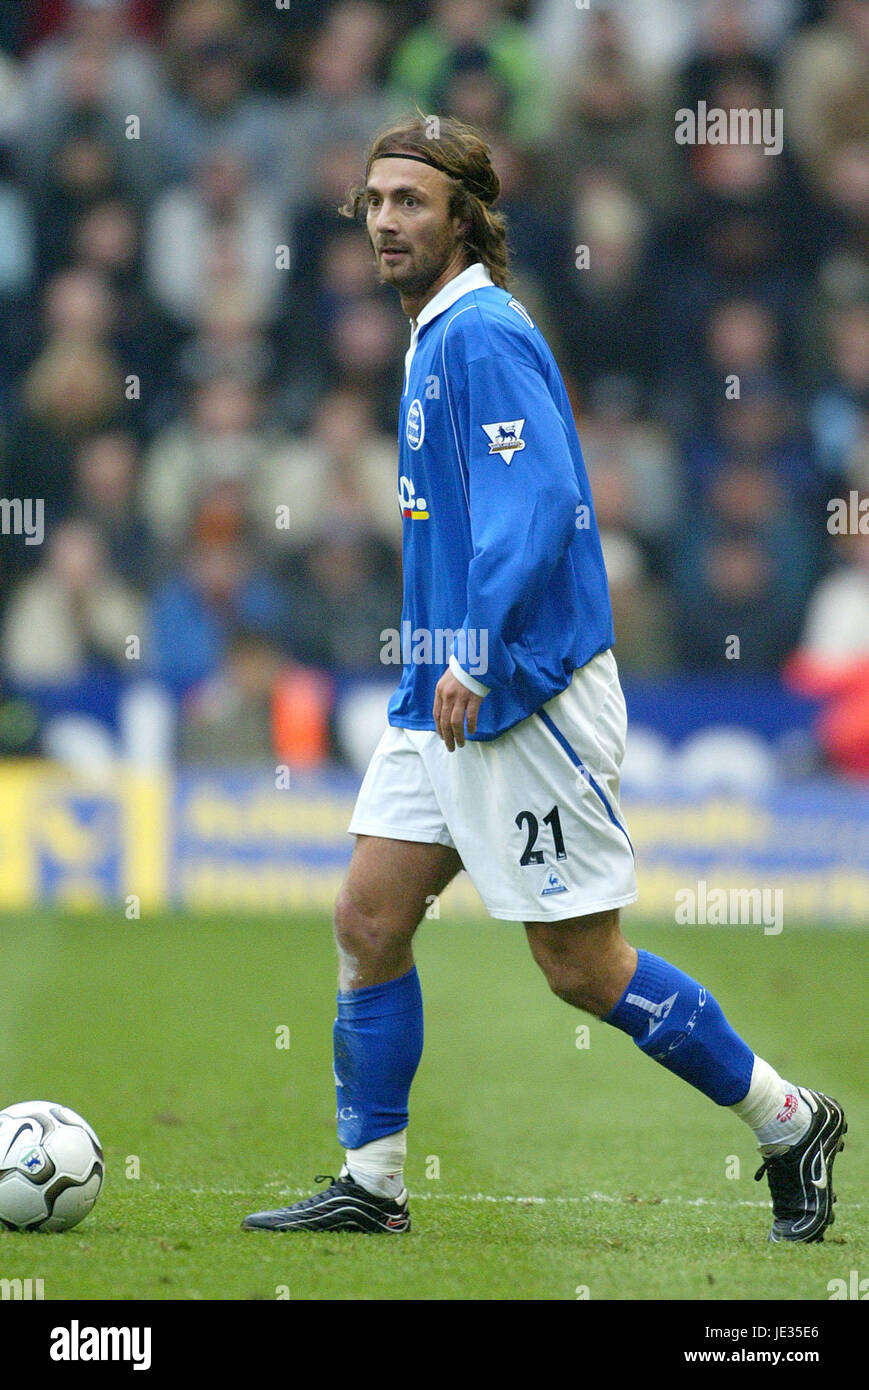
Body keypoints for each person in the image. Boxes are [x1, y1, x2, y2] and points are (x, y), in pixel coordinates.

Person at [243, 114, 845, 1242]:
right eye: (373, 201)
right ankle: (371, 1181)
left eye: (409, 201)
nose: (384, 220)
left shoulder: (480, 335)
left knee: (579, 965)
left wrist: (474, 646)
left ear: (464, 216)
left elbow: (533, 505)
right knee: (370, 918)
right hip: (442, 694)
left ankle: (787, 1116)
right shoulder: (432, 334)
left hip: (519, 691)